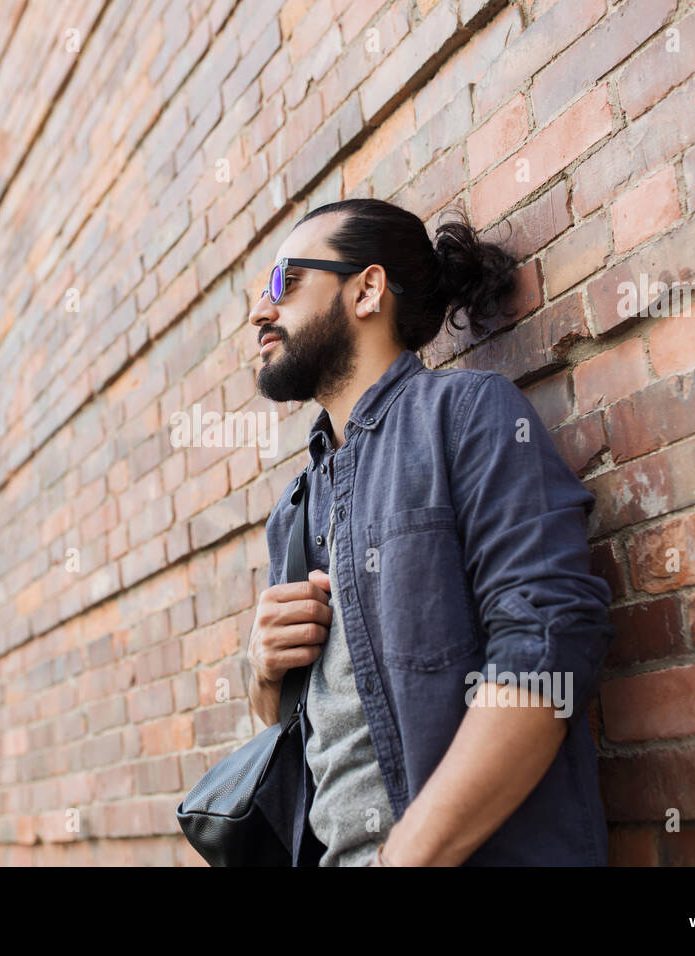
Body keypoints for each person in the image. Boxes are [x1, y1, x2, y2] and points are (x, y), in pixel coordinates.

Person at [245, 198, 616, 866]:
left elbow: (548, 641)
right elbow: (311, 751)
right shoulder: (293, 511)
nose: (259, 310)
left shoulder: (467, 415)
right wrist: (264, 680)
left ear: (367, 290)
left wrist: (406, 858)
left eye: (284, 282)